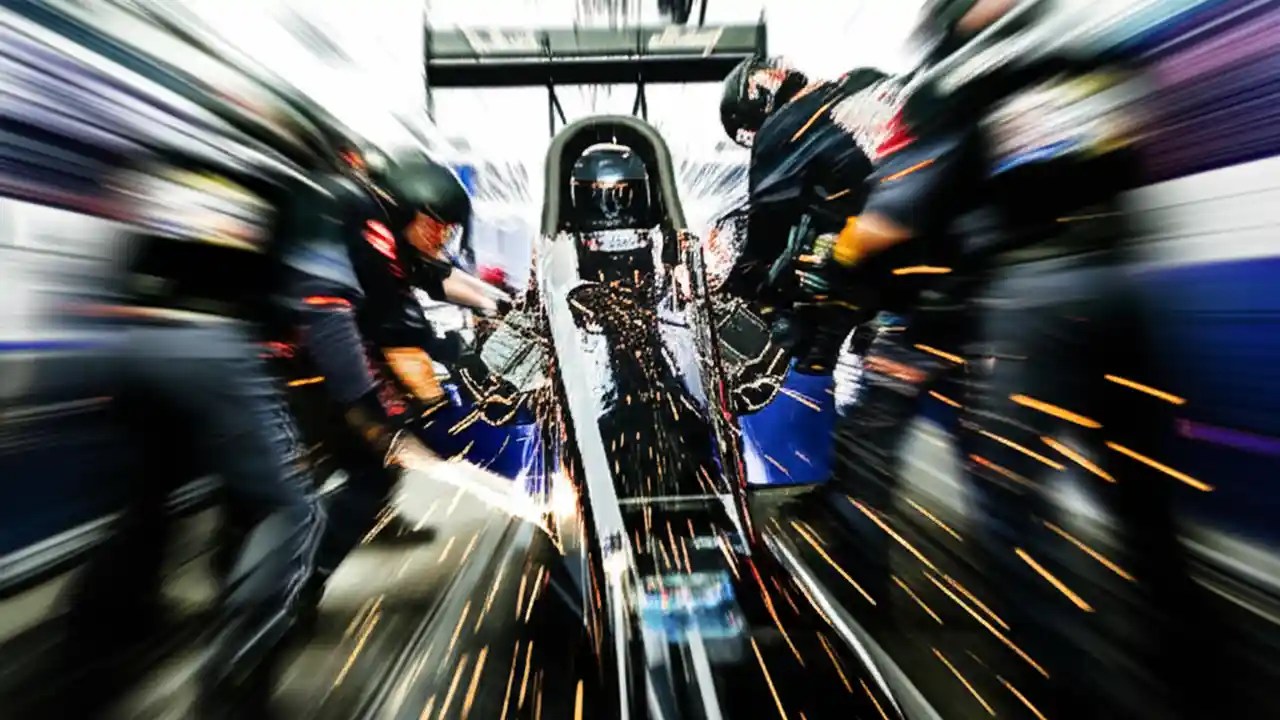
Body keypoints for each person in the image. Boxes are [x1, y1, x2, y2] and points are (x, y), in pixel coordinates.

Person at [827, 0, 1212, 715]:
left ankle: (1067, 688)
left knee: (1011, 507)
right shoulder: (1086, 58)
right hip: (1124, 281)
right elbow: (1125, 153)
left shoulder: (954, 84)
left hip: (1026, 301)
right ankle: (1193, 670)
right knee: (1142, 498)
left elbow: (897, 219)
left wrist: (841, 258)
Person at [278, 151, 504, 614]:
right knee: (369, 465)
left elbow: (435, 278)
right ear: (412, 207)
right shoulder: (361, 222)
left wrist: (502, 305)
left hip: (310, 361)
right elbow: (346, 321)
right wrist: (372, 419)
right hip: (297, 362)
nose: (441, 239)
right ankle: (290, 593)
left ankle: (285, 576)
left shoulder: (382, 229)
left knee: (338, 470)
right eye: (437, 225)